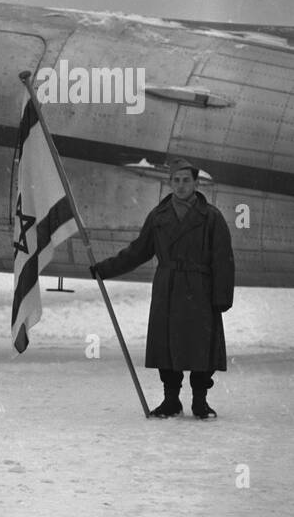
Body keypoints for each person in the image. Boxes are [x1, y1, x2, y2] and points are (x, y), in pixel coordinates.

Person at [92, 157, 235, 419]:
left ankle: (200, 401)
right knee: (168, 348)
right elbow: (138, 251)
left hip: (200, 290)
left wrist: (222, 297)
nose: (181, 186)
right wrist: (105, 268)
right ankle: (171, 400)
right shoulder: (159, 217)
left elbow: (223, 259)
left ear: (195, 183)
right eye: (176, 181)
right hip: (167, 289)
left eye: (186, 181)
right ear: (170, 183)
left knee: (201, 348)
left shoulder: (212, 217)